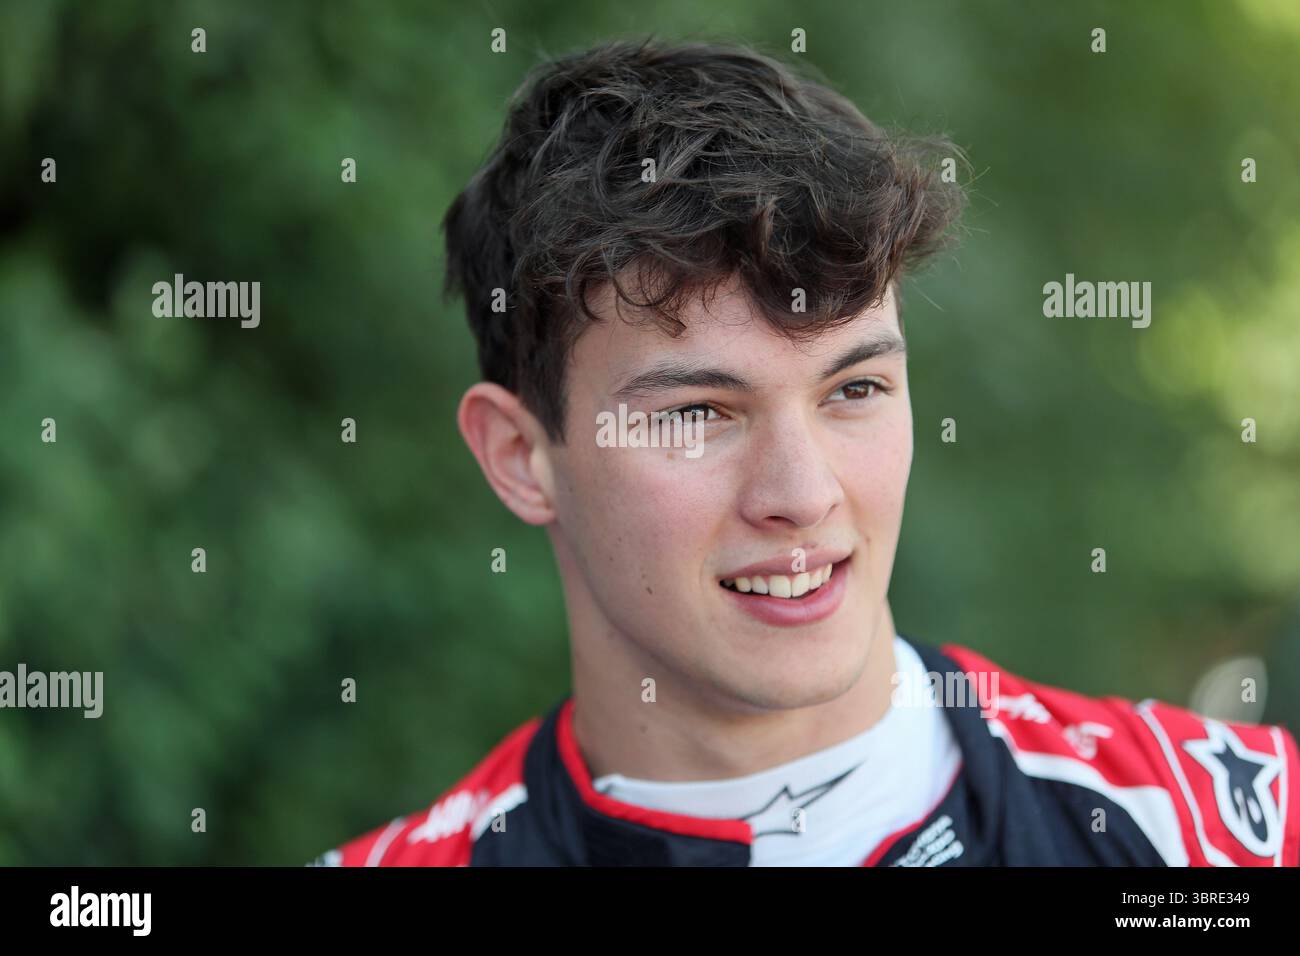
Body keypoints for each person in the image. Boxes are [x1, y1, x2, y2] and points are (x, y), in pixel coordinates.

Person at [316, 37, 1299, 866]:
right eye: (698, 411)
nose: (801, 492)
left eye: (854, 388)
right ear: (521, 456)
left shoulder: (1217, 836)